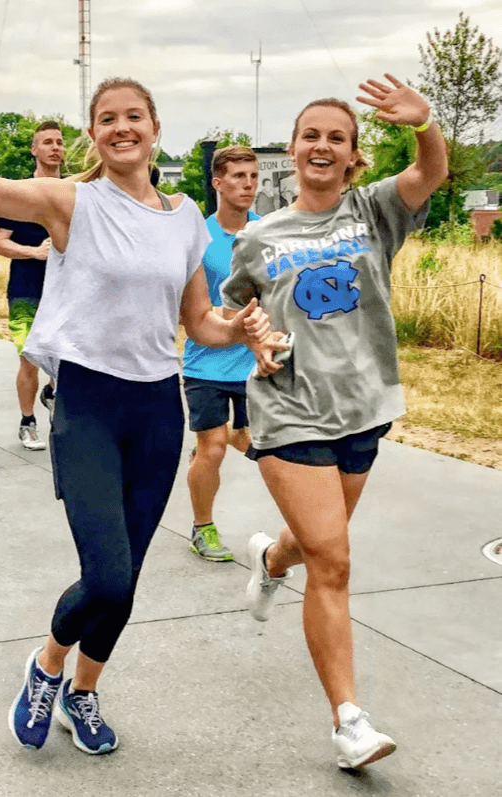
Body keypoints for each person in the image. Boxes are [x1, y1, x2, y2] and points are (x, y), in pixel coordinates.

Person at [0, 22, 276, 756]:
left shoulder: (182, 219)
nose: (121, 127)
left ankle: (83, 691)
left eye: (133, 116)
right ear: (93, 134)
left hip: (155, 409)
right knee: (106, 573)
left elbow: (196, 323)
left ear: (153, 131)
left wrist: (236, 329)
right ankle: (46, 666)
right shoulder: (67, 203)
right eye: (107, 118)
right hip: (86, 403)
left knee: (129, 576)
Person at [221, 76, 448, 770]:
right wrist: (252, 333)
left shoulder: (374, 210)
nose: (322, 146)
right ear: (291, 151)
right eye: (310, 135)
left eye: (336, 138)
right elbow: (237, 315)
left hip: (362, 406)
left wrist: (424, 122)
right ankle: (349, 721)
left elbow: (430, 171)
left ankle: (268, 559)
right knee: (335, 559)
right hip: (289, 410)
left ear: (352, 157)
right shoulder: (257, 237)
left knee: (316, 545)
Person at [182, 146, 260, 562]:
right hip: (206, 361)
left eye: (252, 176)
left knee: (255, 444)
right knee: (212, 448)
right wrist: (223, 317)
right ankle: (203, 527)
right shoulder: (200, 236)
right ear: (217, 183)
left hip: (256, 365)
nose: (247, 184)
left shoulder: (268, 230)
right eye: (238, 177)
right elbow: (188, 308)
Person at [0, 120, 62, 451]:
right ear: (34, 149)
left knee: (67, 359)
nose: (55, 147)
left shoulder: (77, 191)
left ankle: (53, 394)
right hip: (26, 288)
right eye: (47, 142)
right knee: (29, 359)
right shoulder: (17, 194)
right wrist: (36, 252)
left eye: (60, 142)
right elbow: (0, 243)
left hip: (68, 291)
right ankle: (27, 422)